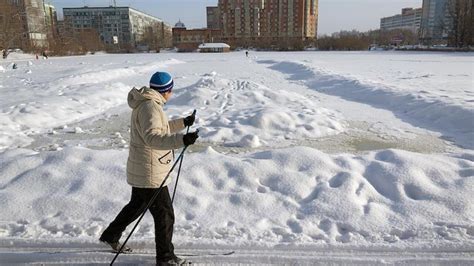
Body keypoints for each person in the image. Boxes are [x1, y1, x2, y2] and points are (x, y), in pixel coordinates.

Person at [99, 71, 199, 265]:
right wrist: (182, 139)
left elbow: (160, 128)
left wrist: (182, 123)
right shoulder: (150, 107)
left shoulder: (148, 103)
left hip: (145, 167)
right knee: (165, 214)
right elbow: (152, 137)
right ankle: (165, 258)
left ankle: (110, 235)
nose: (171, 94)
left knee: (137, 205)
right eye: (171, 90)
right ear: (166, 91)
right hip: (150, 171)